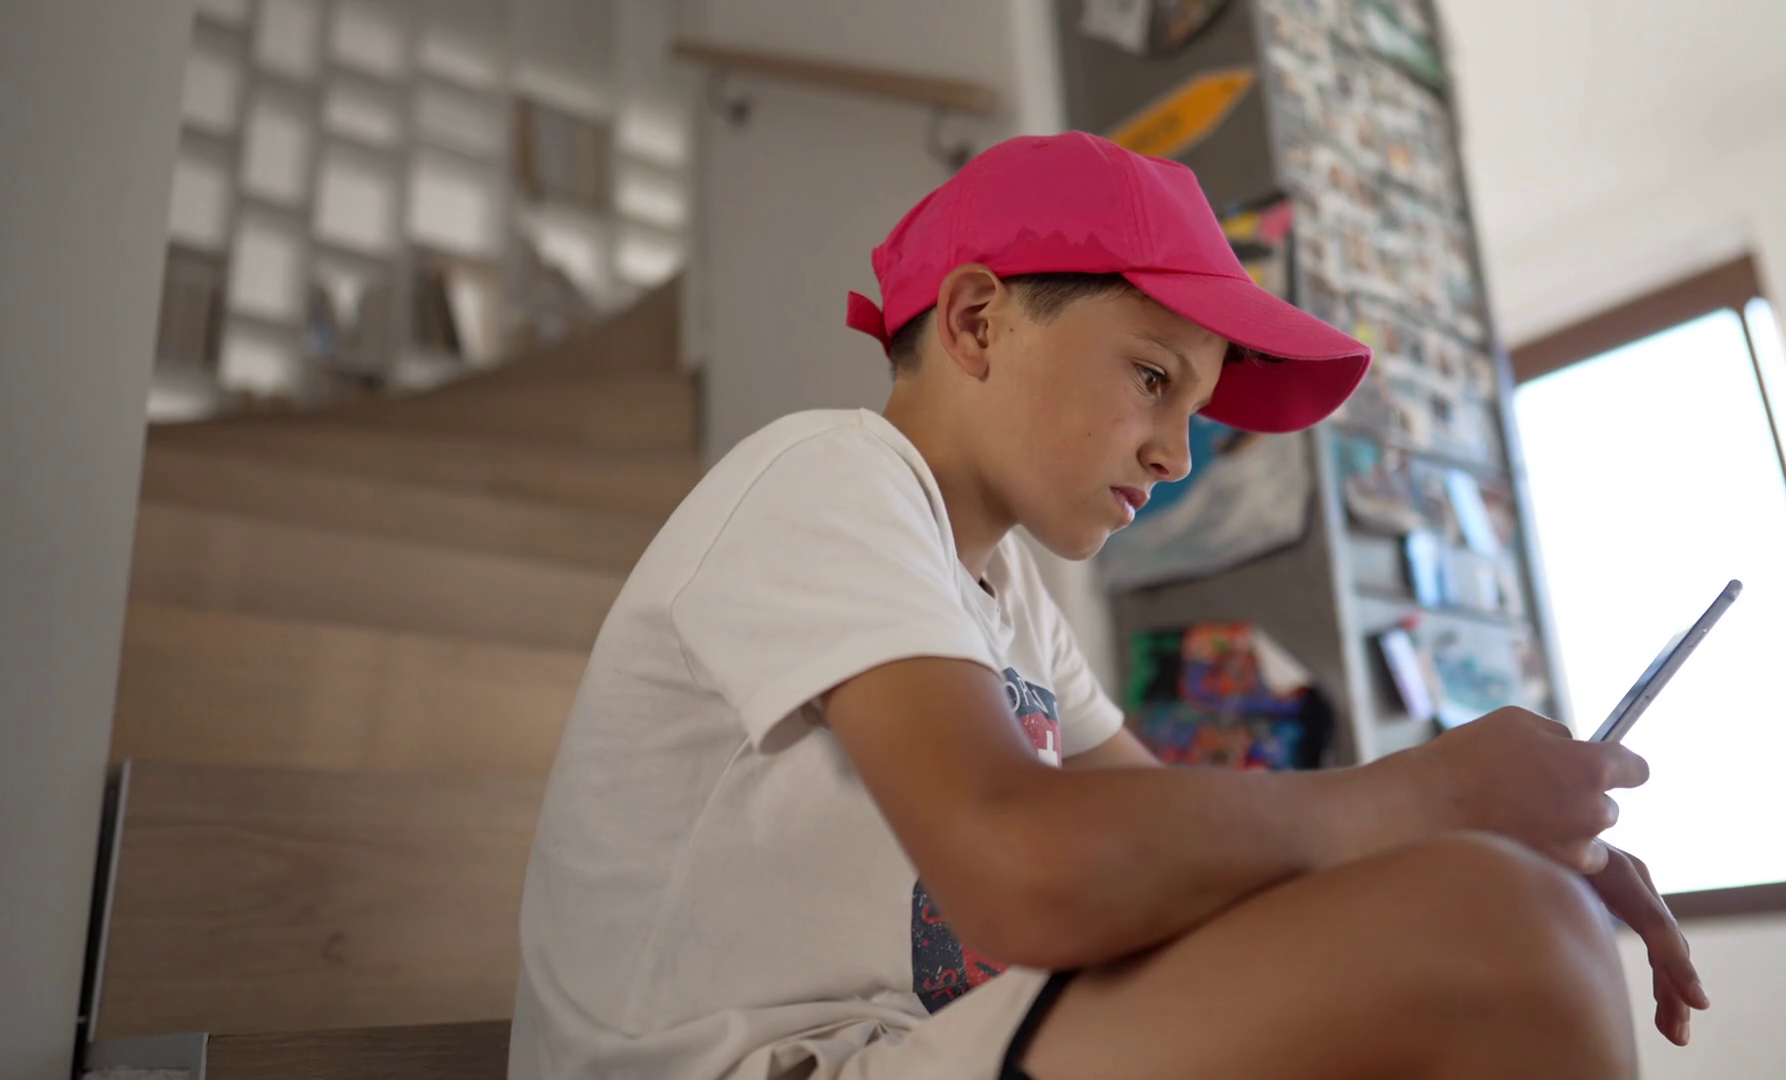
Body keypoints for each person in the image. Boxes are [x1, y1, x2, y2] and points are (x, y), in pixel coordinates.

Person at [509, 132, 1708, 1080]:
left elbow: (1162, 838)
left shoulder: (1007, 593)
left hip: (915, 1052)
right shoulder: (826, 472)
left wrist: (1470, 832)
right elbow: (1019, 866)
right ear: (976, 321)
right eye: (1152, 377)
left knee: (1506, 917)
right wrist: (1424, 796)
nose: (1178, 453)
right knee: (1503, 938)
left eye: (1193, 406)